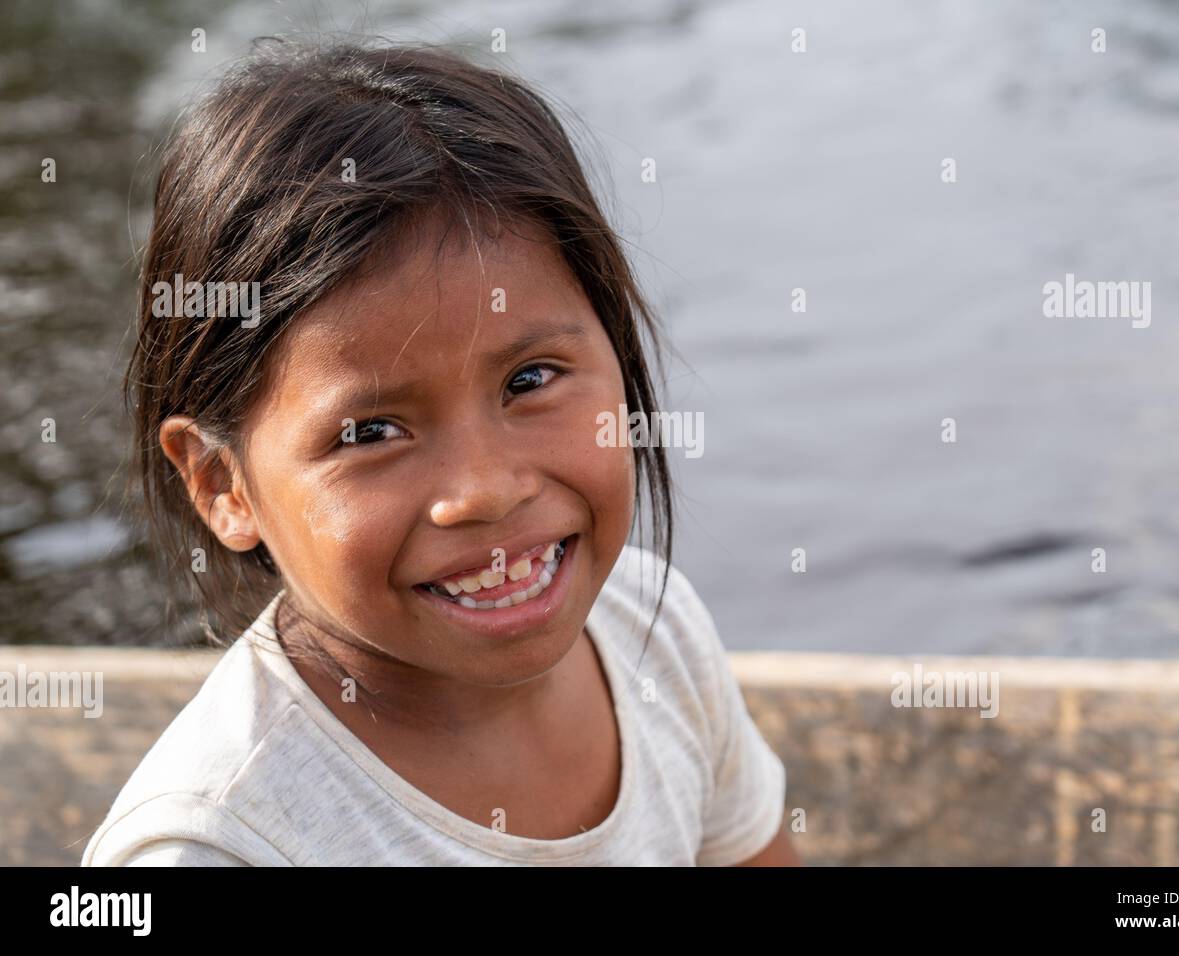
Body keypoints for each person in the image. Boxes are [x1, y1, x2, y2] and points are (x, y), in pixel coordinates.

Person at [81, 39, 798, 866]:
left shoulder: (653, 629)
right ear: (221, 485)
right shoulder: (220, 847)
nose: (487, 489)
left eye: (530, 379)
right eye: (371, 434)